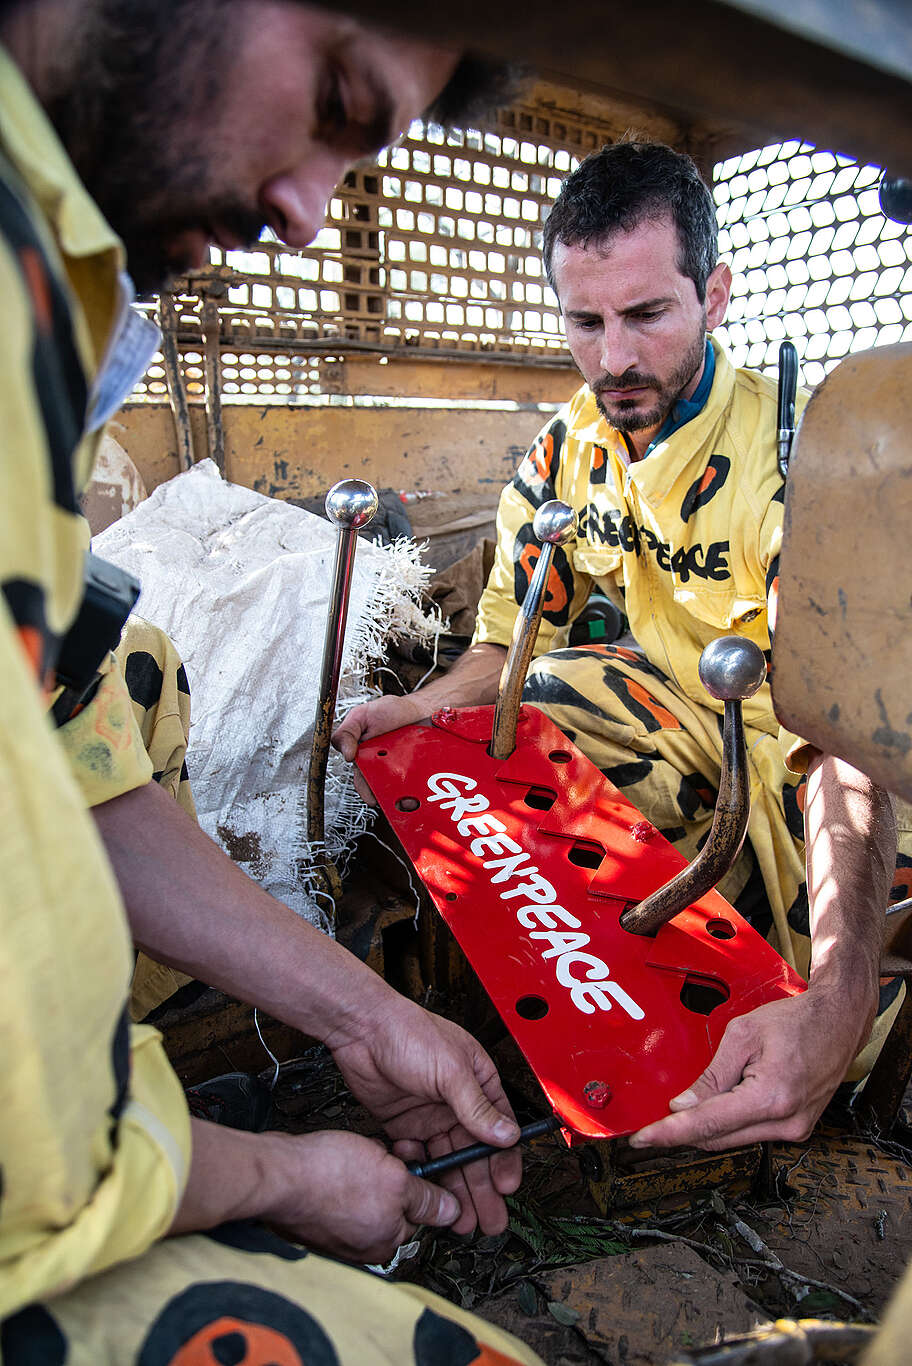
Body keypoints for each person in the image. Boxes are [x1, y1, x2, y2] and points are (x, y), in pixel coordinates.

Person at [0, 2, 547, 1361]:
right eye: (334, 99)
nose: (312, 215)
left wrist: (364, 1013)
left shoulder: (54, 291)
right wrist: (282, 1176)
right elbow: (32, 1180)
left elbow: (74, 753)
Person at [336, 140, 909, 1157]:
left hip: (823, 770)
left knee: (831, 1014)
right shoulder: (570, 447)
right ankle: (588, 1016)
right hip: (691, 719)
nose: (614, 359)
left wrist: (840, 993)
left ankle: (797, 1037)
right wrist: (418, 711)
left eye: (647, 314)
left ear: (716, 295)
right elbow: (507, 642)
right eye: (585, 322)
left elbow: (848, 744)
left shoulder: (797, 462)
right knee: (516, 712)